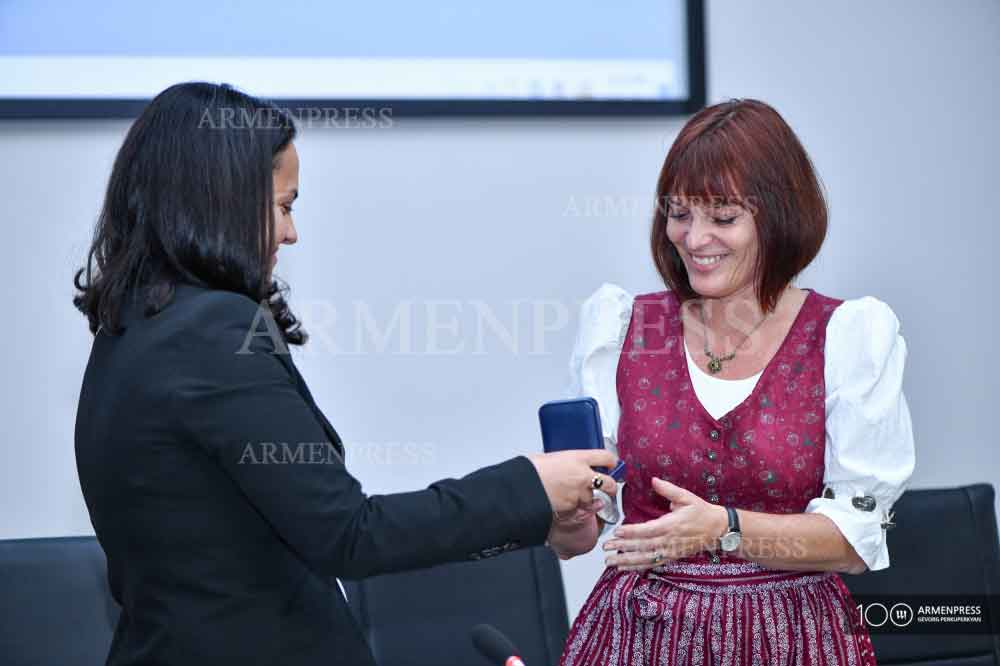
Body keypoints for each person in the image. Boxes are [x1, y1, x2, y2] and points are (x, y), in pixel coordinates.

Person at [72, 81, 618, 666]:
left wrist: (534, 517)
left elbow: (272, 533)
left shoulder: (132, 327)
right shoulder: (212, 331)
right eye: (284, 206)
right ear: (221, 201)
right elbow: (349, 535)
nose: (291, 233)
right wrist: (529, 487)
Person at [558, 98, 915, 665]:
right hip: (641, 637)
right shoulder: (622, 326)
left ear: (779, 218)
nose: (694, 238)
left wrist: (723, 529)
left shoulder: (848, 335)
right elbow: (581, 532)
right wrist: (568, 518)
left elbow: (853, 543)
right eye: (679, 213)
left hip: (791, 639)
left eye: (723, 218)